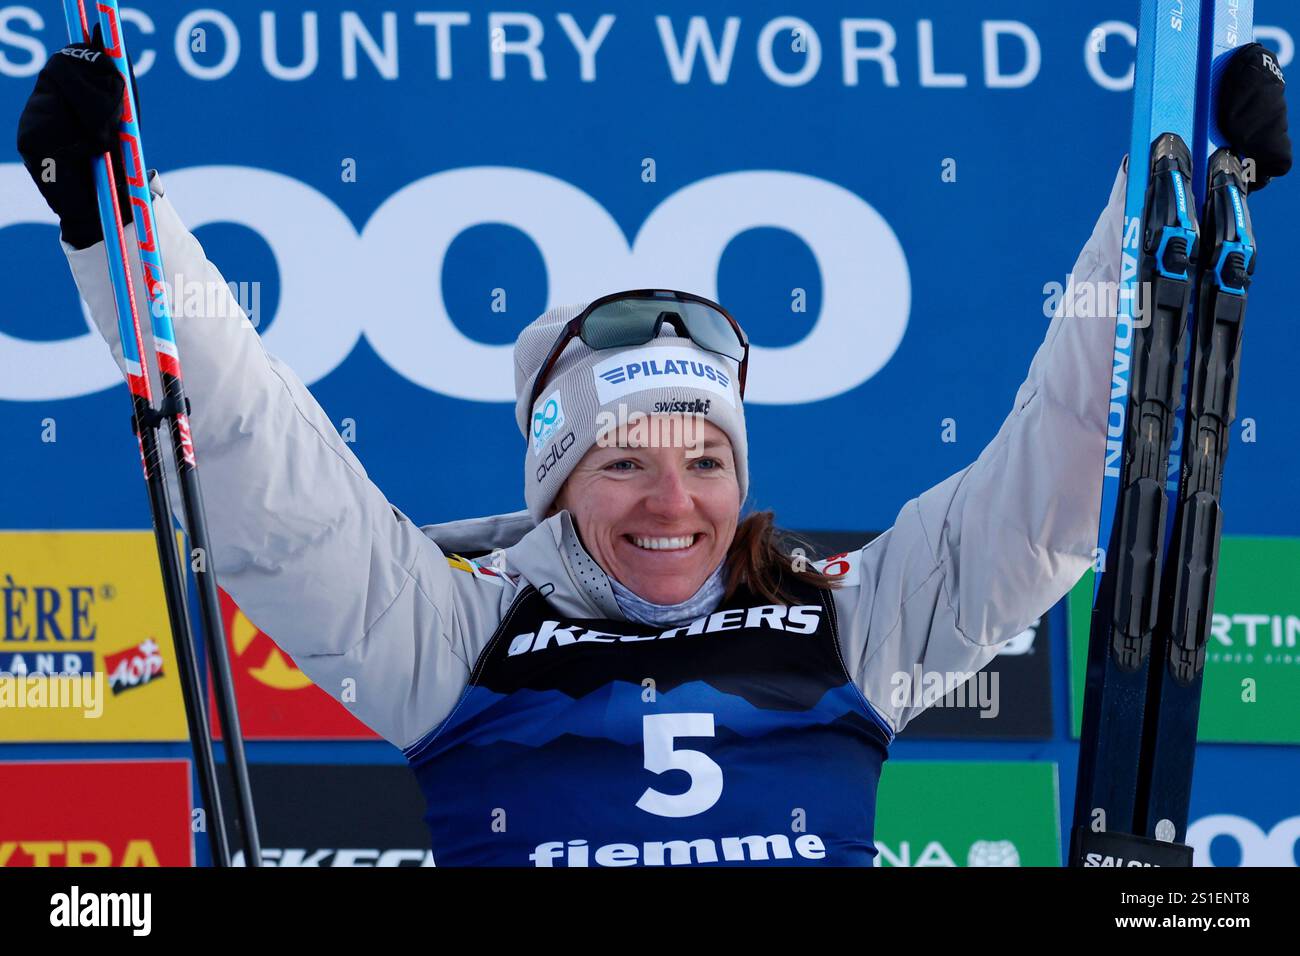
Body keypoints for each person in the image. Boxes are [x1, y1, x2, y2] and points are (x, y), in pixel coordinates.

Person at [16, 32, 1290, 867]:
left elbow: (1059, 472)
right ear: (560, 482)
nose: (673, 499)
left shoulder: (852, 617)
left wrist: (1169, 194)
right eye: (625, 460)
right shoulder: (455, 637)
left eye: (708, 460)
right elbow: (262, 468)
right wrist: (117, 221)